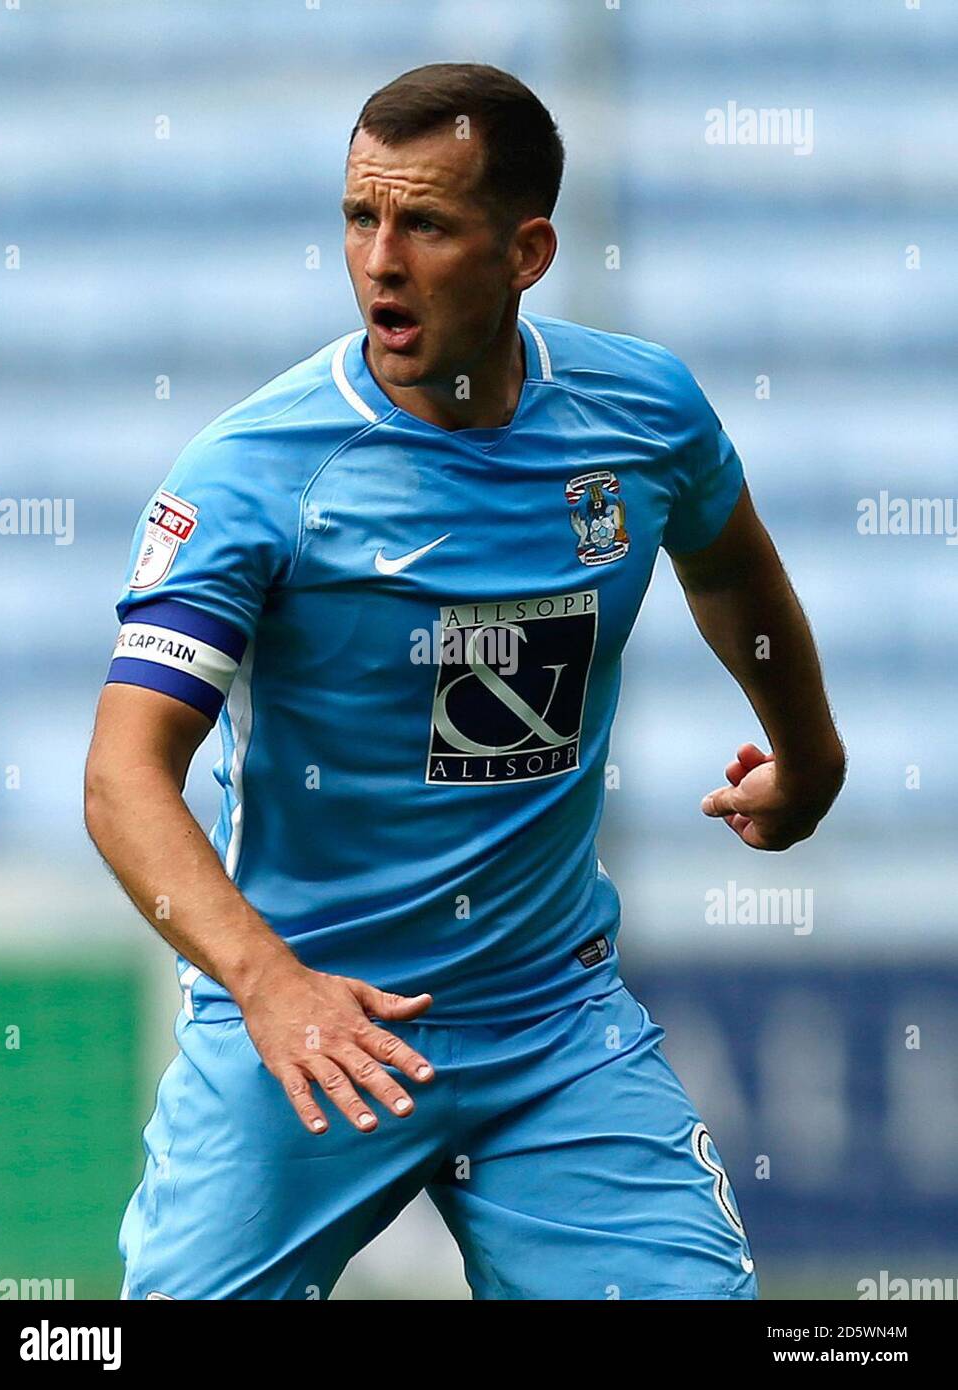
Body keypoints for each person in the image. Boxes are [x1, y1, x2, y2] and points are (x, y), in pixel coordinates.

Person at [84, 62, 845, 1300]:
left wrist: (809, 756)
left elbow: (730, 576)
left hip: (550, 1020)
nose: (379, 260)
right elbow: (124, 778)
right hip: (309, 1018)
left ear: (526, 248)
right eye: (357, 217)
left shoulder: (640, 413)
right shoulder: (255, 474)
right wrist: (269, 986)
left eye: (424, 224)